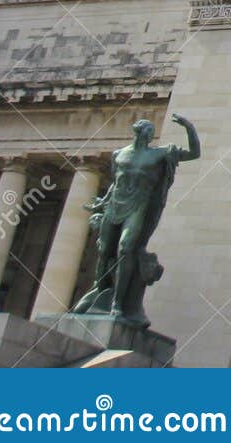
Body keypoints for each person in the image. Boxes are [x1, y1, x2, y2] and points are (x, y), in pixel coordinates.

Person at [72, 114, 200, 326]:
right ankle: (101, 290)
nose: (150, 135)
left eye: (152, 132)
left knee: (125, 248)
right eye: (147, 131)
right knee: (104, 252)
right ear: (139, 133)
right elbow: (117, 181)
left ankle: (118, 303)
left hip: (138, 206)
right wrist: (102, 202)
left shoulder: (159, 154)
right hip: (115, 205)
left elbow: (194, 153)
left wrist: (189, 128)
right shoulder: (119, 154)